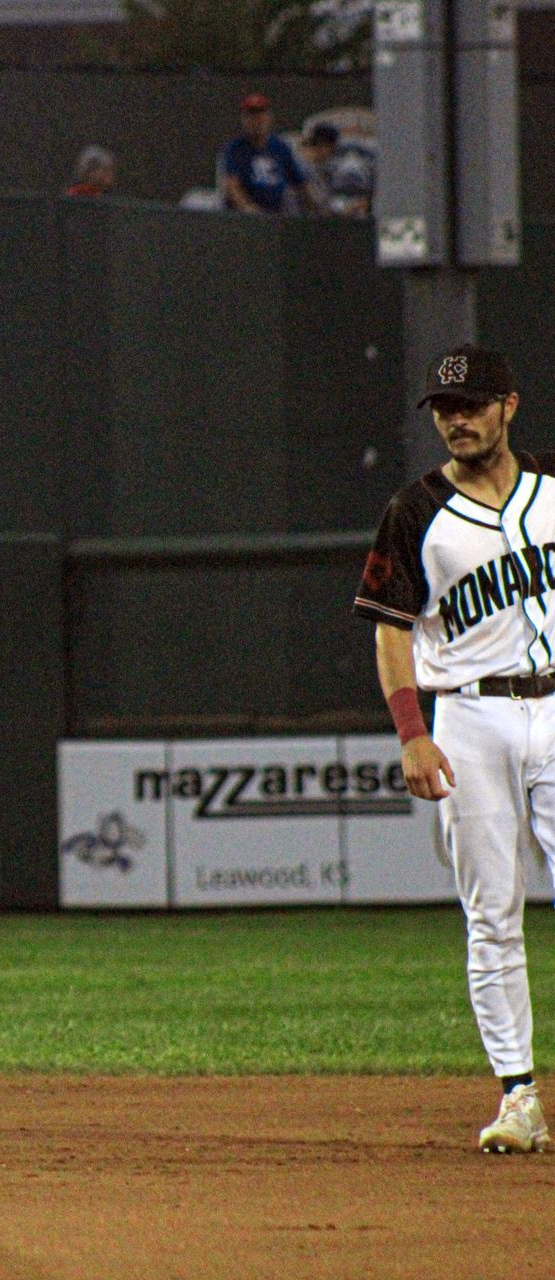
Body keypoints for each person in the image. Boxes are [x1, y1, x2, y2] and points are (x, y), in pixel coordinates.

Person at [354, 345, 553, 1155]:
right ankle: (519, 1099)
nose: (457, 419)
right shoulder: (414, 512)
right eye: (444, 408)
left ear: (509, 405)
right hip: (468, 718)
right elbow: (390, 631)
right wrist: (412, 733)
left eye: (471, 403)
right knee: (491, 914)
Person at [219, 93, 315, 215]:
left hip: (278, 213)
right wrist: (249, 209)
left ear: (269, 118)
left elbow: (300, 183)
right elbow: (232, 187)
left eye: (261, 115)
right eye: (251, 116)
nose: (257, 120)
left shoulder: (280, 147)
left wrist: (316, 208)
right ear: (244, 120)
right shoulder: (235, 149)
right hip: (246, 216)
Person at [299, 122, 374, 218]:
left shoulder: (347, 169)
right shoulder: (313, 166)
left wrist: (344, 208)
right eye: (306, 144)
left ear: (327, 146)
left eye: (312, 144)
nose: (307, 149)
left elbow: (357, 203)